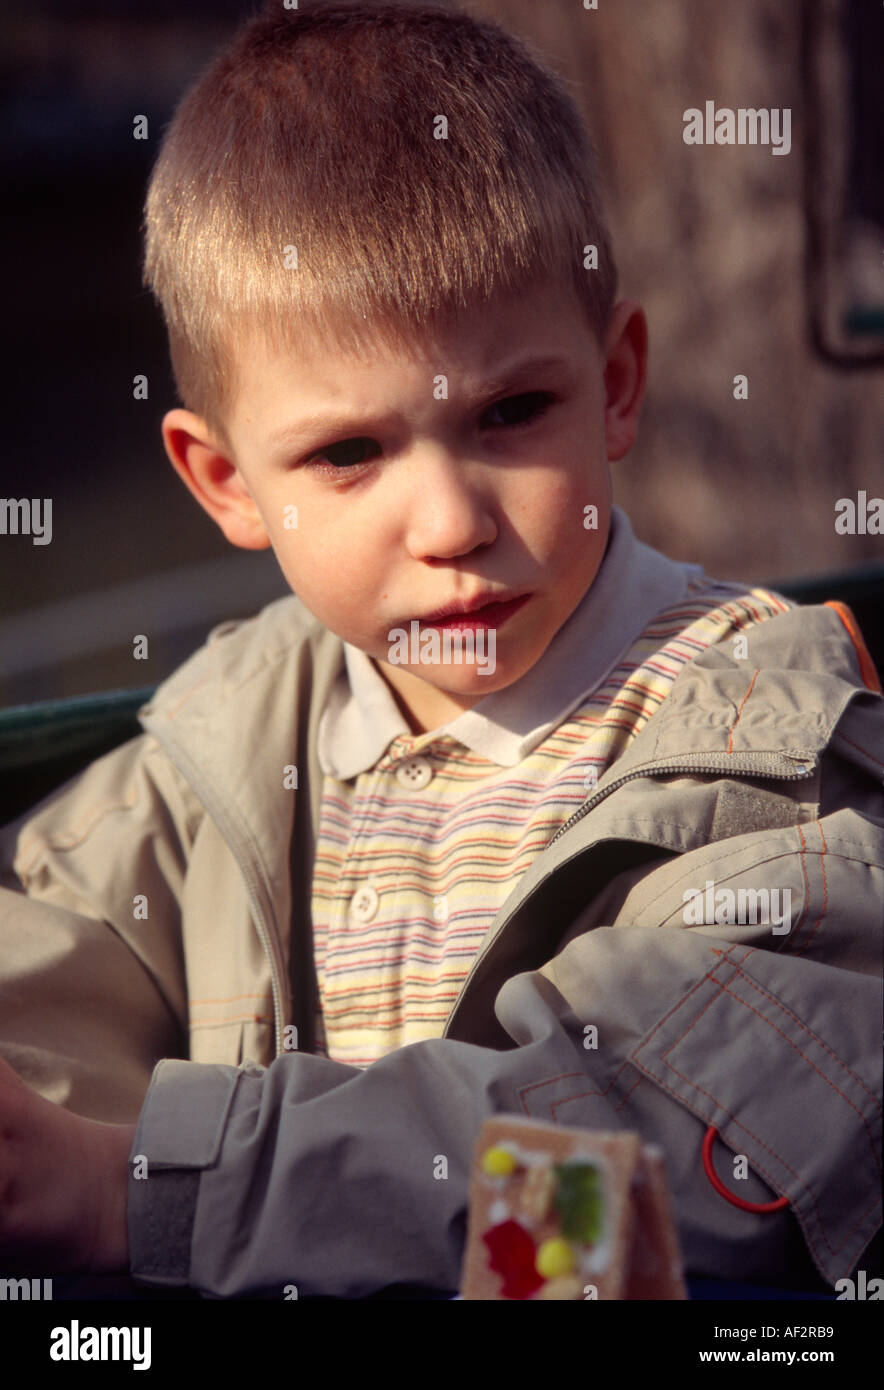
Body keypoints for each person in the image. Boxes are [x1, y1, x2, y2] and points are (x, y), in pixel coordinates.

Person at [0, 0, 881, 1299]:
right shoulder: (215, 758)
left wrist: (146, 1186)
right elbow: (45, 1007)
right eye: (348, 453)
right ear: (225, 480)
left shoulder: (765, 741)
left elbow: (678, 1156)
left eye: (513, 412)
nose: (454, 522)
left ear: (618, 383)